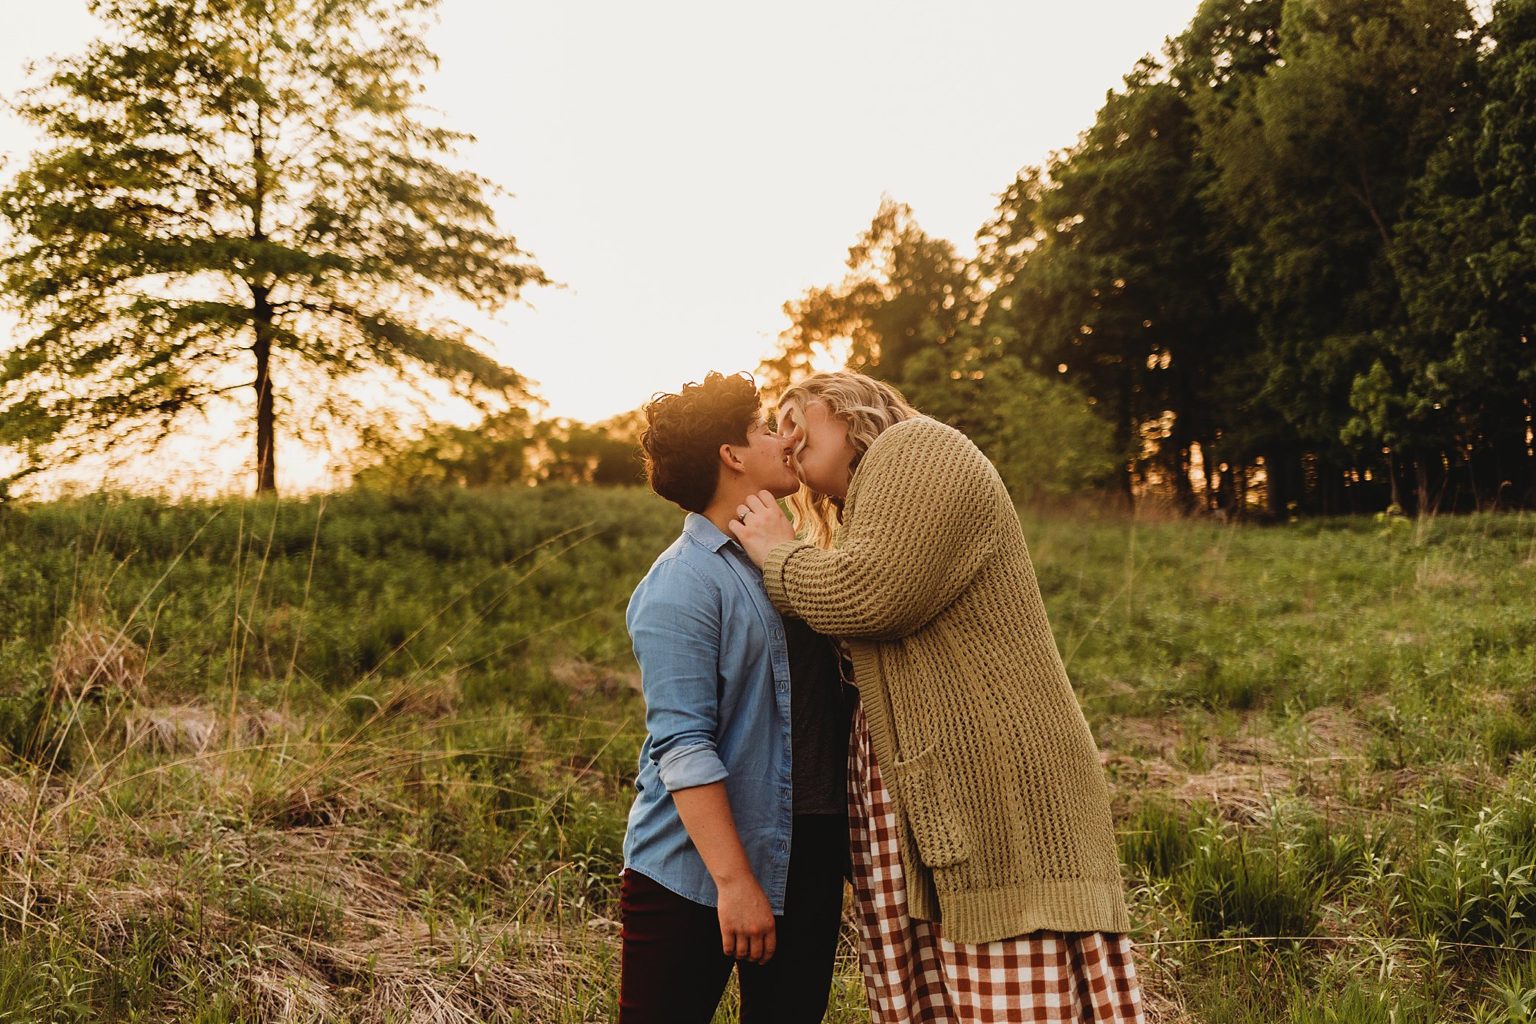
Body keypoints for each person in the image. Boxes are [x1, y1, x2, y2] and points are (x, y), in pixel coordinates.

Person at [730, 370, 1144, 1024]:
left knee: (1001, 990)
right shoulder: (865, 507)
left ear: (844, 405)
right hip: (937, 806)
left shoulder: (915, 449)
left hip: (993, 791)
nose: (786, 435)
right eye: (774, 426)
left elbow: (871, 596)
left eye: (795, 415)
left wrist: (779, 555)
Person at [618, 371, 850, 1024]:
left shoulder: (785, 557)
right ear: (732, 454)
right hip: (697, 874)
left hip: (806, 854)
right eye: (765, 427)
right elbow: (683, 746)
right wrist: (735, 884)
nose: (785, 439)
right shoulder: (682, 581)